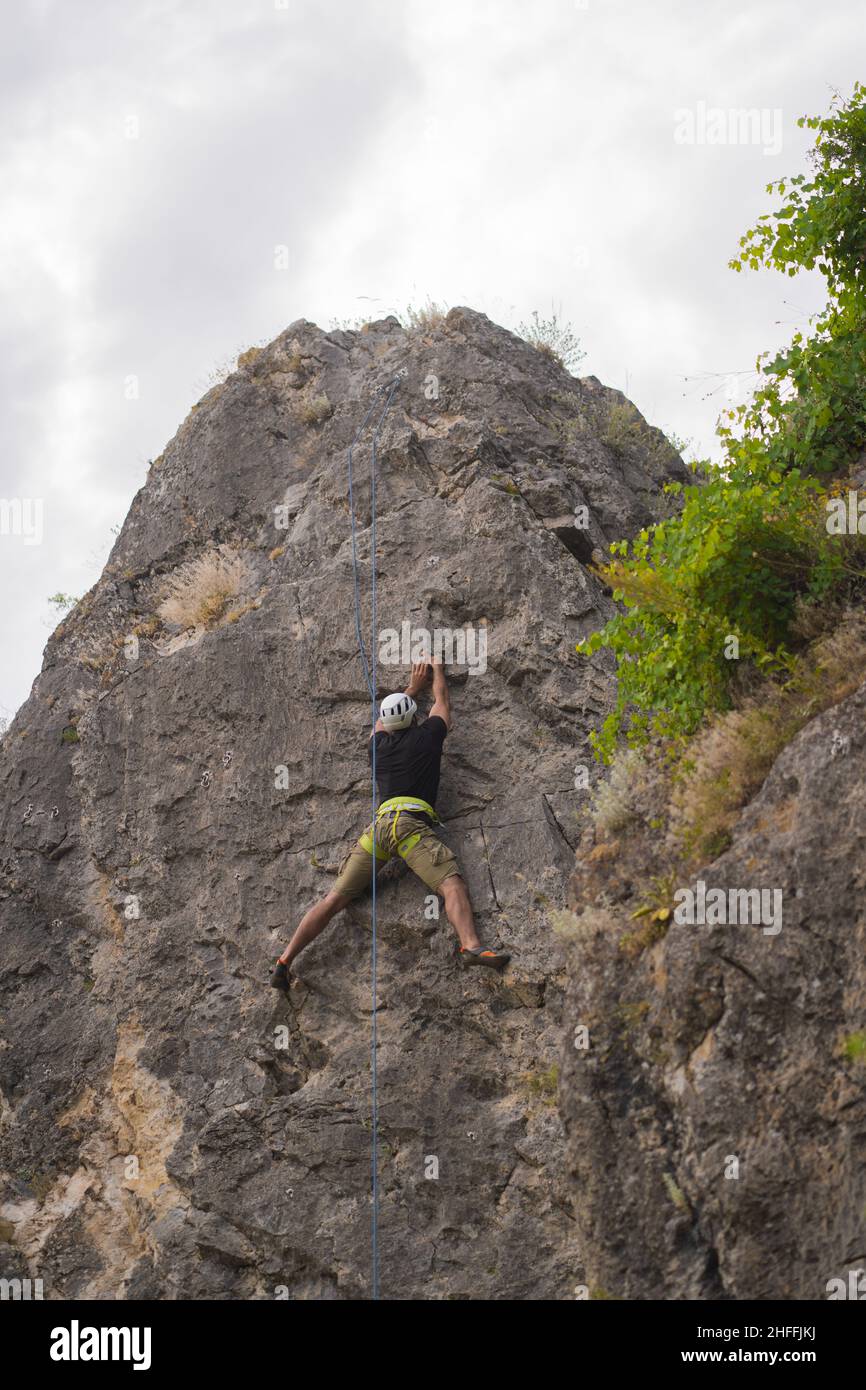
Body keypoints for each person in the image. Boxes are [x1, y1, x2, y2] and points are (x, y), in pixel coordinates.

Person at [270, 657, 509, 993]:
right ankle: (470, 945)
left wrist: (410, 686)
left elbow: (381, 723)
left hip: (379, 830)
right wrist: (437, 672)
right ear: (415, 718)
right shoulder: (428, 737)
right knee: (451, 886)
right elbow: (442, 702)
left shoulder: (376, 747)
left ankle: (283, 961)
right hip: (411, 829)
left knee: (333, 900)